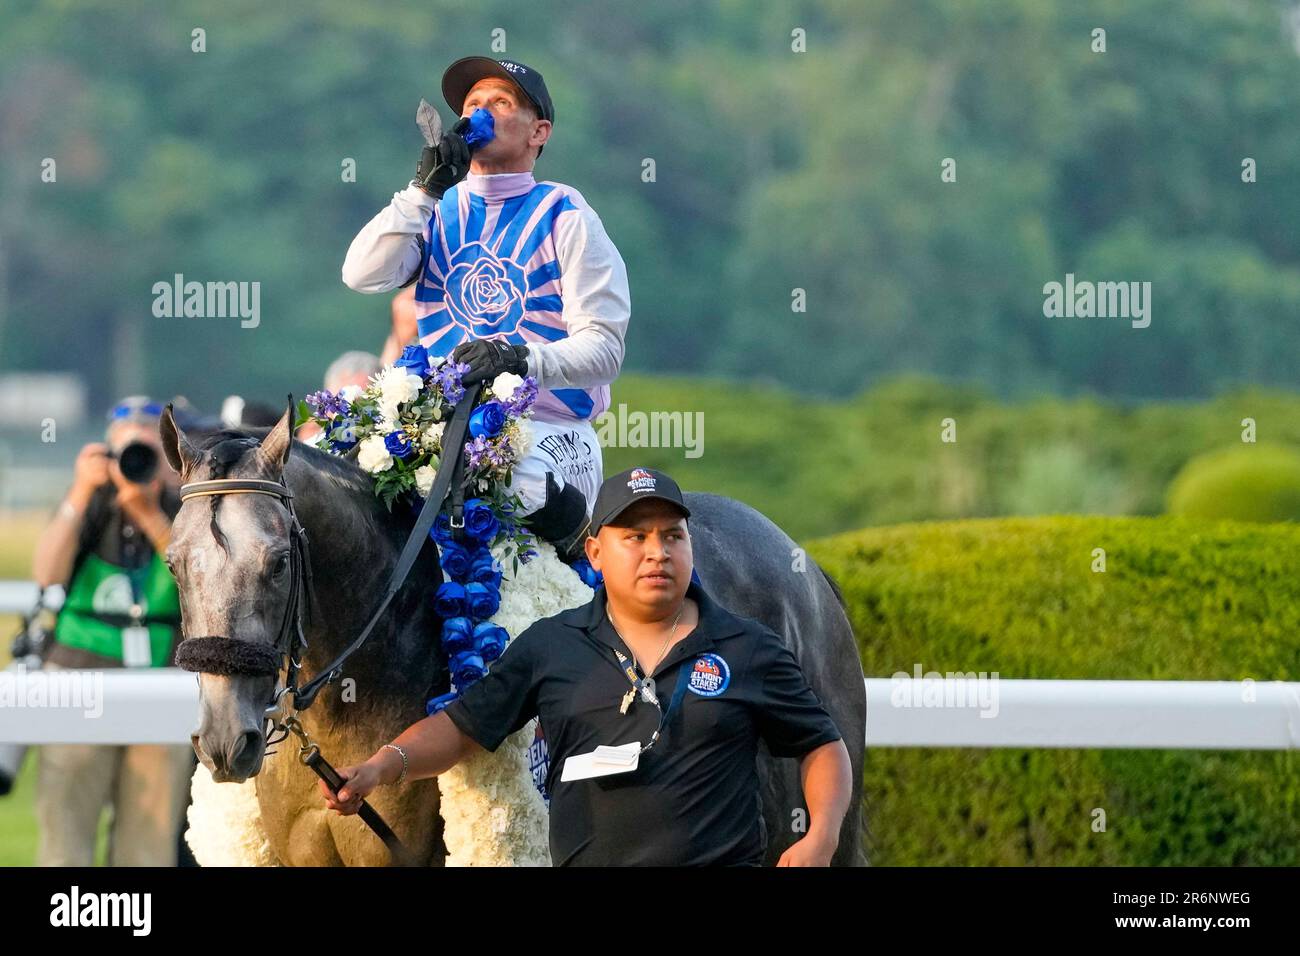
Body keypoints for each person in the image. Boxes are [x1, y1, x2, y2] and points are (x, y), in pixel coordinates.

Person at [320, 467, 854, 866]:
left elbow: (821, 745)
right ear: (596, 553)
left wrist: (821, 836)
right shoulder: (552, 646)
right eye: (636, 537)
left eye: (673, 536)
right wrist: (376, 769)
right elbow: (461, 729)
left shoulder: (747, 646)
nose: (658, 552)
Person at [341, 55, 631, 563]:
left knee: (497, 475)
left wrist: (519, 360)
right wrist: (423, 191)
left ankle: (591, 597)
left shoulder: (566, 214)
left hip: (545, 429)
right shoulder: (436, 211)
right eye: (472, 104)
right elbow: (361, 274)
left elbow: (605, 350)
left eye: (500, 102)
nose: (481, 113)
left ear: (539, 131)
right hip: (433, 429)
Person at [29, 395, 195, 866]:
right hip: (79, 680)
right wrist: (81, 491)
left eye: (150, 450)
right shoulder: (88, 502)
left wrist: (150, 514)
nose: (136, 463)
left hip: (162, 687)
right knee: (65, 835)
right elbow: (47, 575)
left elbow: (195, 581)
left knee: (149, 845)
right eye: (127, 451)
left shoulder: (183, 508)